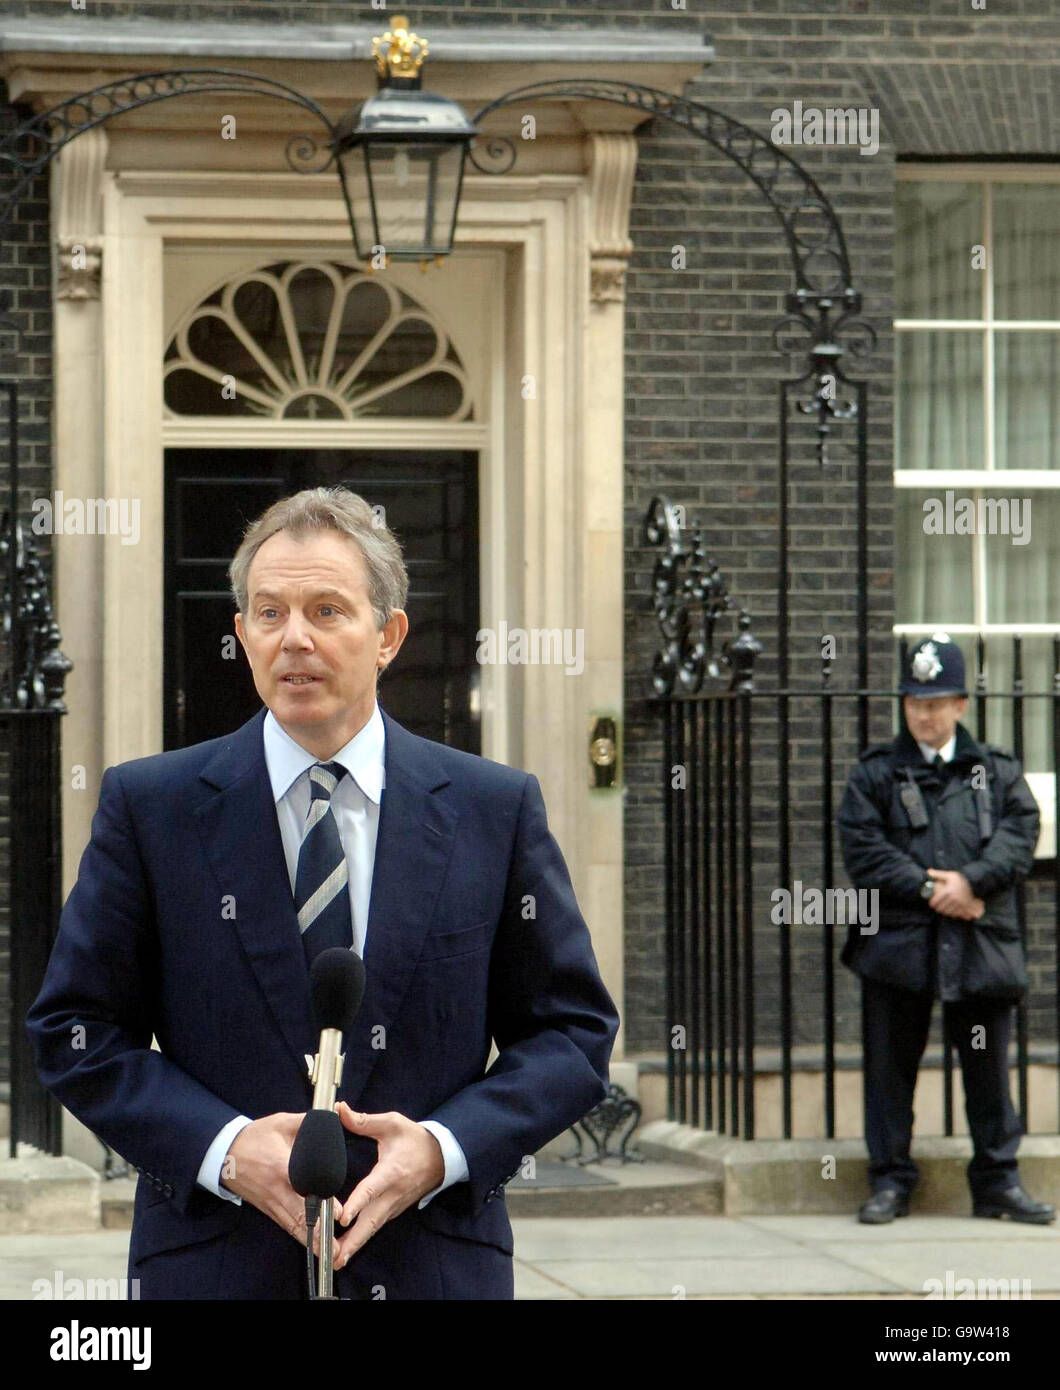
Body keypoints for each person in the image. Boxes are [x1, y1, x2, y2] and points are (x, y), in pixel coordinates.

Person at [28, 486, 619, 1299]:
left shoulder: (494, 809)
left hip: (433, 1267)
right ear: (241, 634)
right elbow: (73, 1029)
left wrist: (444, 1149)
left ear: (389, 635)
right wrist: (227, 1150)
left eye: (327, 610)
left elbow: (571, 1032)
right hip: (216, 1267)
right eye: (268, 614)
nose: (293, 638)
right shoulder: (152, 807)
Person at [837, 633, 1054, 1227]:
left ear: (961, 704)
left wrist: (972, 882)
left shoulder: (998, 771)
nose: (923, 714)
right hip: (897, 945)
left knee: (987, 1070)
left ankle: (997, 1183)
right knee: (889, 1070)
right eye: (913, 702)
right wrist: (935, 889)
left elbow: (1021, 834)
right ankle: (889, 1182)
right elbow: (864, 849)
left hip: (979, 945)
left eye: (935, 703)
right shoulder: (876, 775)